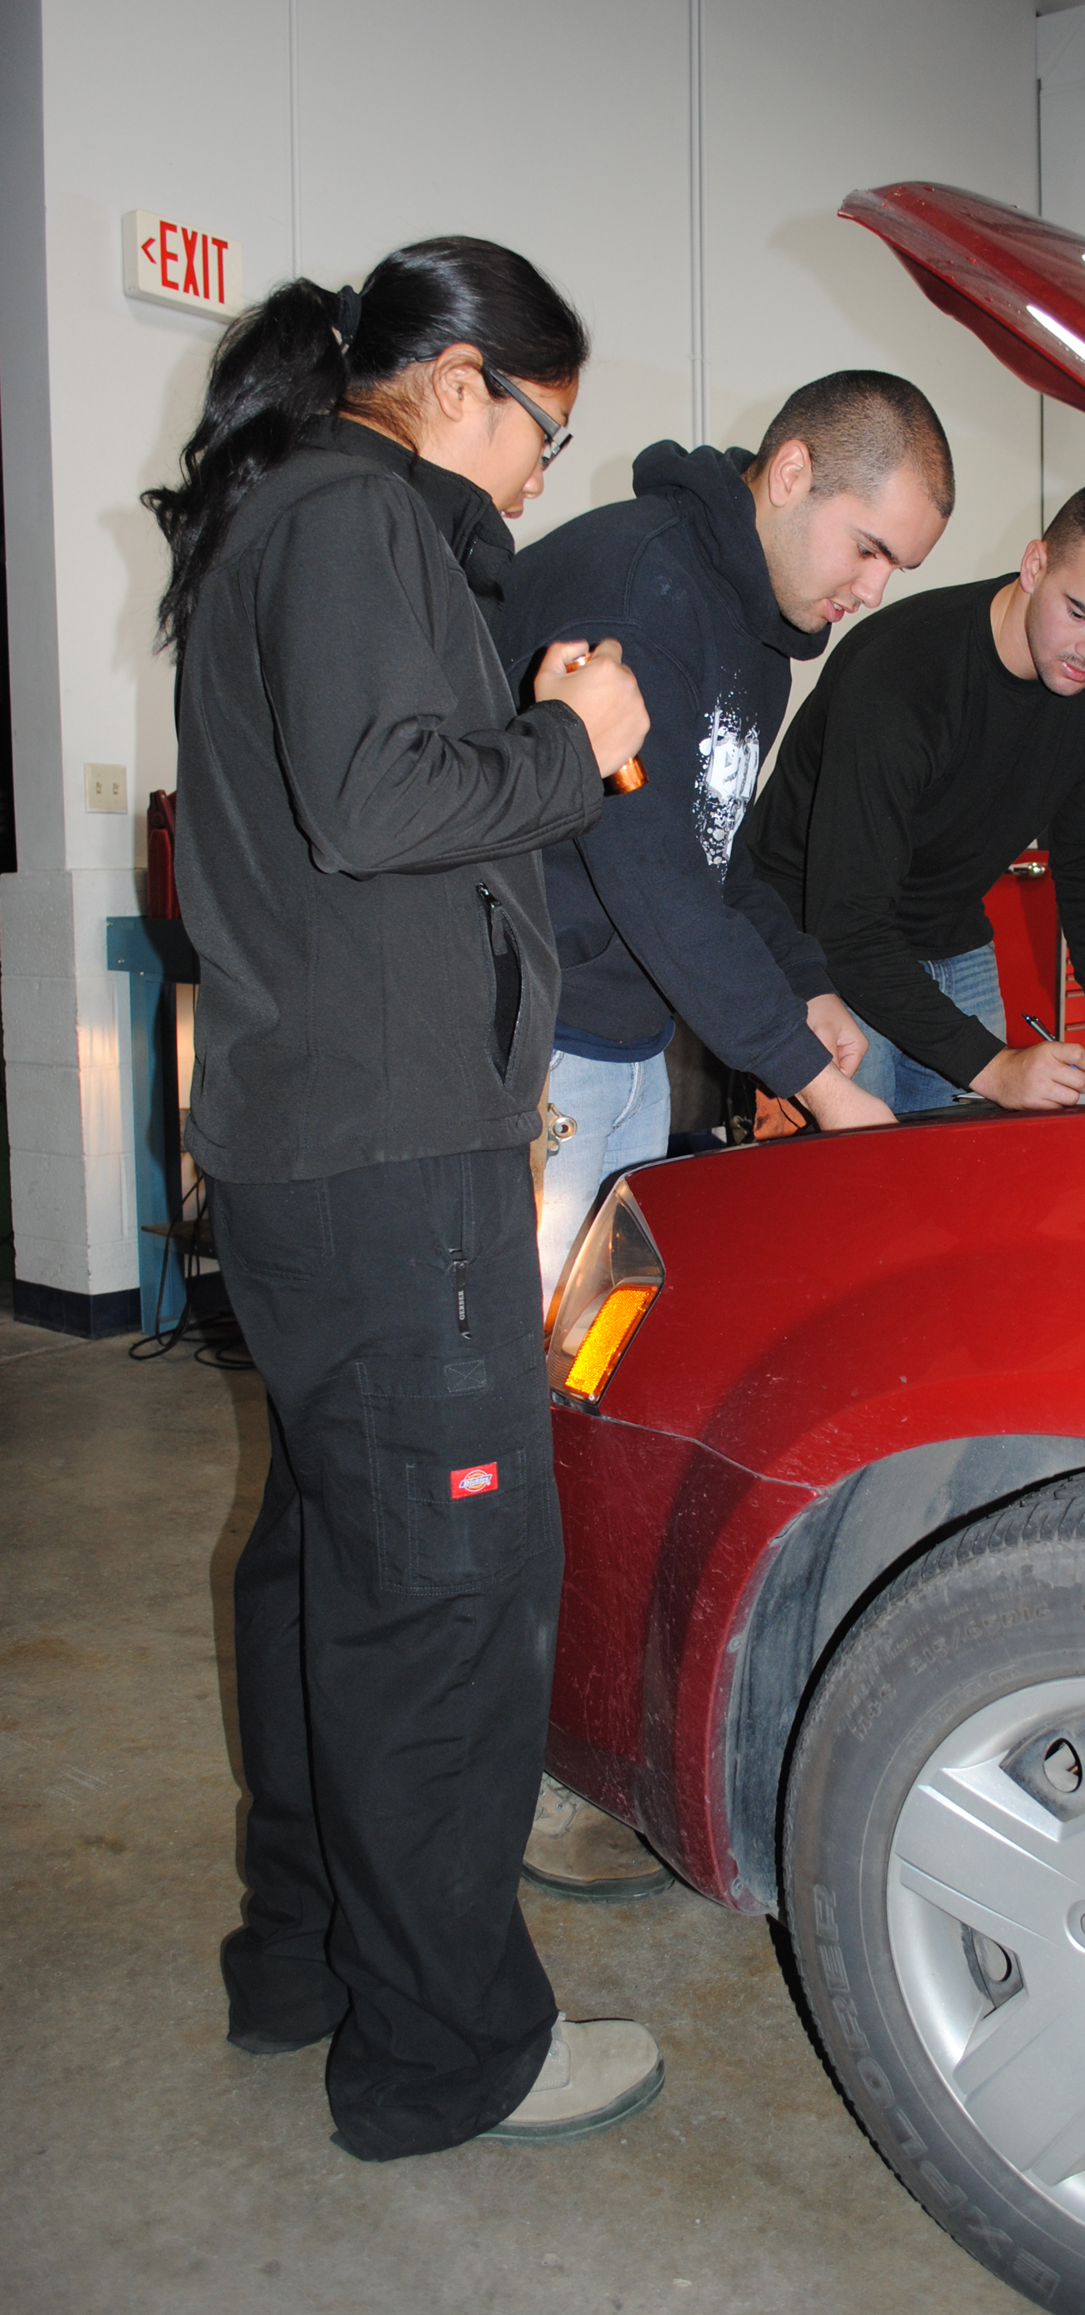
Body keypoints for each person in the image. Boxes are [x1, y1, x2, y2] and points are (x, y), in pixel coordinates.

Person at [149, 237, 658, 2162]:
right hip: (388, 1177)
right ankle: (444, 2056)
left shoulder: (283, 518)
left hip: (315, 1159)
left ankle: (302, 1963)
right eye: (543, 432)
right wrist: (577, 743)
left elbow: (357, 812)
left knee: (328, 1578)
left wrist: (528, 740)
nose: (535, 474)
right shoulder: (359, 513)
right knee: (446, 1605)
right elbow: (380, 804)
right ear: (457, 385)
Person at [493, 370, 951, 1901]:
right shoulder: (641, 580)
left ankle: (560, 1745)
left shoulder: (759, 639)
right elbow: (641, 872)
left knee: (585, 1410)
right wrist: (816, 1084)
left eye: (897, 568)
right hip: (534, 1057)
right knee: (506, 1431)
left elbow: (723, 860)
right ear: (793, 471)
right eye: (867, 546)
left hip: (625, 1063)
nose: (869, 588)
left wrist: (805, 985)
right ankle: (492, 1786)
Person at [744, 479, 1085, 1112]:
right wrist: (996, 1067)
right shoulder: (902, 671)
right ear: (1035, 565)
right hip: (817, 946)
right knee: (862, 1166)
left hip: (952, 938)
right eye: (1081, 615)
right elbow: (848, 925)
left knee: (968, 1166)